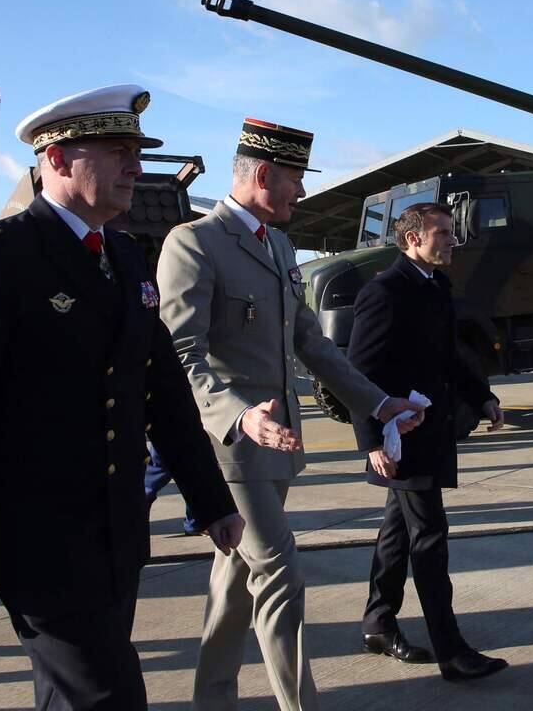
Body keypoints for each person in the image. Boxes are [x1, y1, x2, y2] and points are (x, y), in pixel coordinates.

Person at [0, 84, 244, 710]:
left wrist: (210, 500)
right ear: (58, 160)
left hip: (117, 536)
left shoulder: (122, 255)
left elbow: (161, 392)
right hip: (38, 545)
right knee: (108, 698)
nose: (136, 168)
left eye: (137, 153)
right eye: (118, 151)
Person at [157, 118, 425, 711]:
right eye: (297, 179)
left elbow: (312, 343)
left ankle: (212, 701)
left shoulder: (277, 245)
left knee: (233, 587)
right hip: (229, 448)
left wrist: (379, 404)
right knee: (280, 577)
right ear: (263, 175)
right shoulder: (194, 243)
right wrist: (240, 414)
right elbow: (179, 354)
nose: (302, 193)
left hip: (276, 447)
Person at [346, 202, 509, 682]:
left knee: (397, 532)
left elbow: (448, 357)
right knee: (430, 541)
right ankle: (452, 651)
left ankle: (378, 621)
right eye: (441, 233)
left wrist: (482, 397)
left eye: (451, 232)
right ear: (412, 239)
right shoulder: (385, 292)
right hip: (402, 439)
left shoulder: (435, 285)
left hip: (430, 432)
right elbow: (357, 374)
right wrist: (373, 441)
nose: (451, 240)